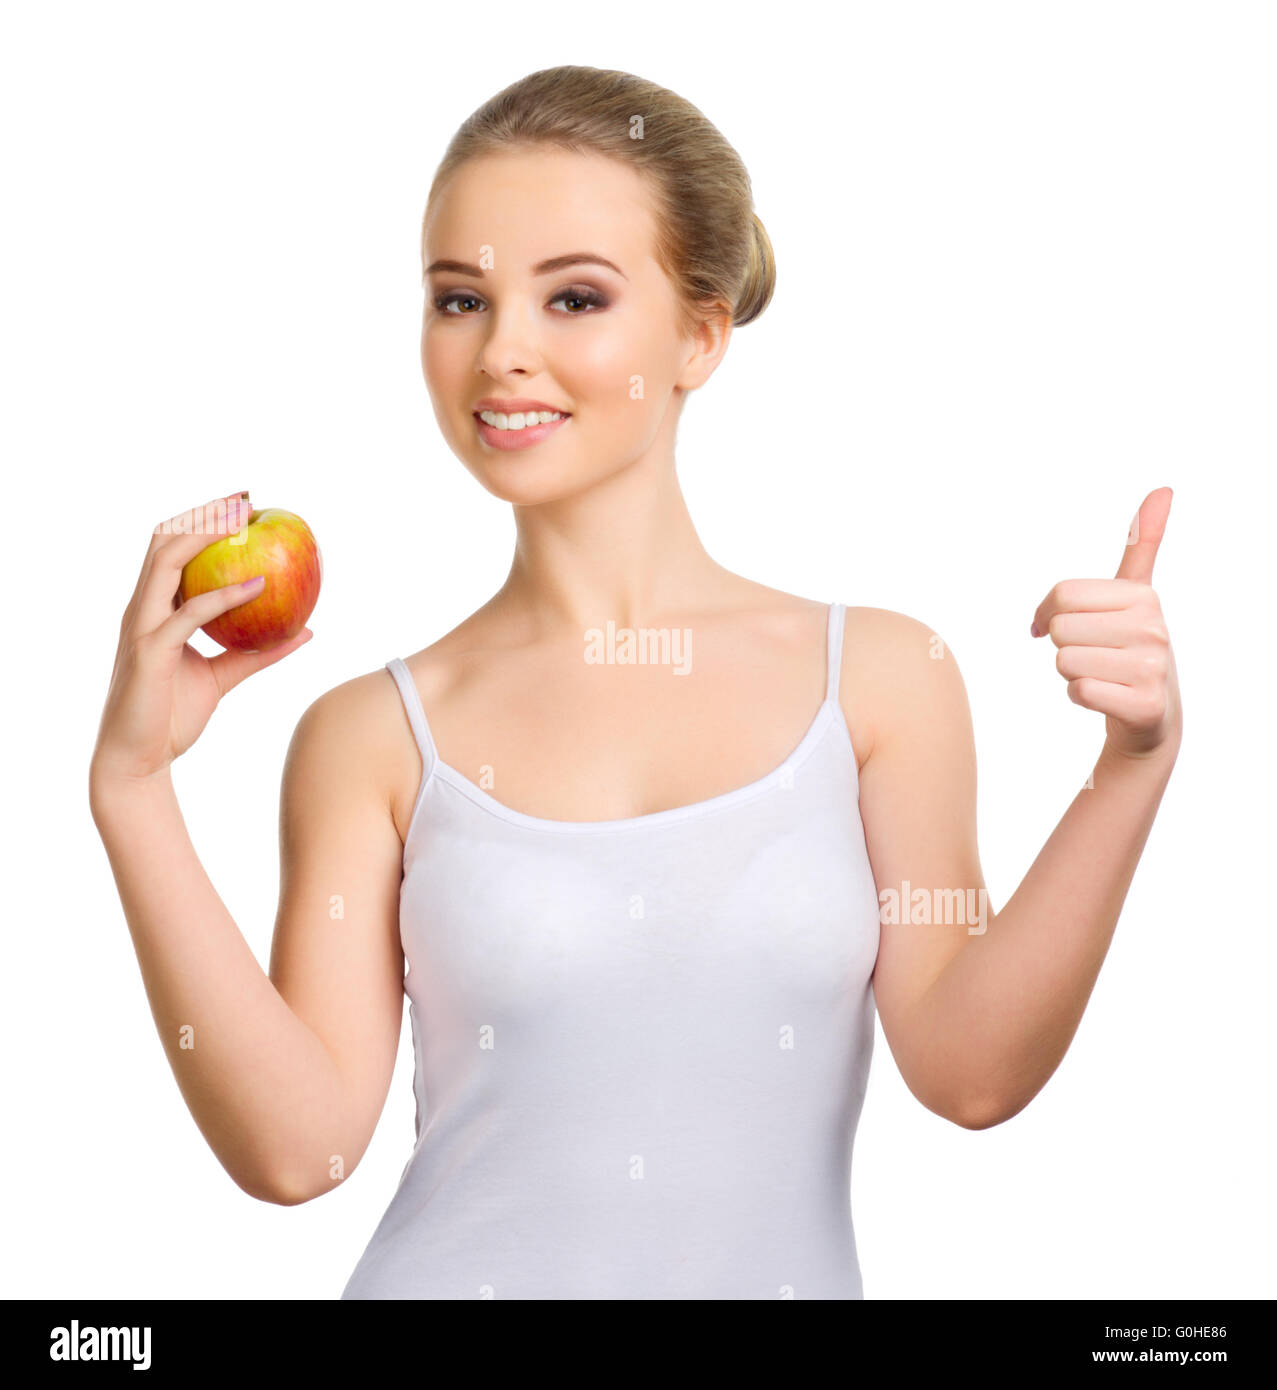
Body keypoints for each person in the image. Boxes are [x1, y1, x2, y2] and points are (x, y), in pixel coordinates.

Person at [88, 65, 1182, 1300]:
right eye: (460, 298)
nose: (502, 352)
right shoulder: (372, 737)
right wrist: (133, 786)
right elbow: (298, 1150)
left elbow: (970, 1072)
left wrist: (1127, 768)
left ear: (700, 333)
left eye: (573, 297)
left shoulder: (877, 679)